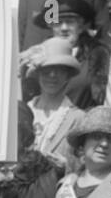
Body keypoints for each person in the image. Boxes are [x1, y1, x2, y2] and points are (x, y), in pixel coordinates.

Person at [26, 37, 85, 170]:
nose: (52, 75)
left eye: (60, 70)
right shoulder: (23, 111)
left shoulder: (78, 118)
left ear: (68, 76)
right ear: (38, 73)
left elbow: (87, 165)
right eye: (47, 70)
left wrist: (67, 166)